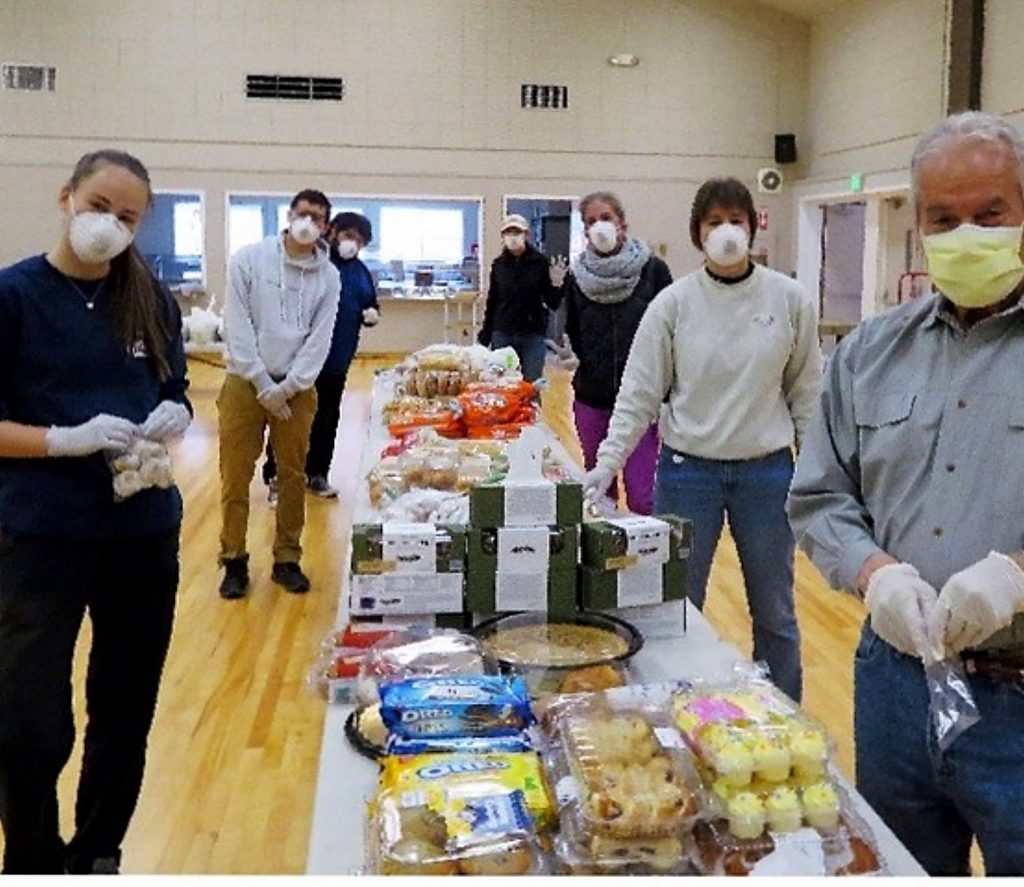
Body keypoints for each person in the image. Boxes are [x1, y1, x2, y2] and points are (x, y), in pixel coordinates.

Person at [787, 111, 1024, 876]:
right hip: (895, 686)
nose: (966, 235)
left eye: (991, 215)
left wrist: (1015, 576)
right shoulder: (869, 352)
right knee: (900, 866)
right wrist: (874, 572)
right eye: (944, 219)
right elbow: (821, 497)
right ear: (918, 224)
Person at [0, 149, 191, 874]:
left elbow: (173, 387)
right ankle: (35, 856)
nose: (110, 225)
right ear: (66, 197)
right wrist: (59, 439)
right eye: (100, 206)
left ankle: (98, 849)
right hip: (42, 533)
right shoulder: (14, 296)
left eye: (127, 216)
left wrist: (174, 413)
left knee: (125, 704)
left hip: (142, 531)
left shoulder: (148, 297)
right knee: (28, 716)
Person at [583, 178, 822, 702]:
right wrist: (607, 464)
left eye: (736, 220)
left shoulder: (789, 299)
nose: (727, 232)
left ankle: (783, 716)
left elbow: (806, 392)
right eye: (715, 223)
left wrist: (818, 470)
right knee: (677, 606)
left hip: (767, 474)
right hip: (688, 473)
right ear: (698, 233)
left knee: (775, 611)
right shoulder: (673, 305)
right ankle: (674, 709)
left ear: (754, 227)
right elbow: (639, 393)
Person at [218, 189, 339, 599]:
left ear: (325, 227)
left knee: (292, 475)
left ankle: (287, 559)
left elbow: (319, 341)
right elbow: (237, 326)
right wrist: (261, 383)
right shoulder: (249, 260)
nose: (308, 222)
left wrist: (287, 387)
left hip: (297, 389)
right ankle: (233, 560)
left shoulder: (329, 277)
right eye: (303, 213)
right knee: (235, 476)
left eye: (317, 218)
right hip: (243, 383)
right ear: (289, 215)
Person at [560, 191, 673, 515]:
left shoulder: (654, 271)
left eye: (606, 218)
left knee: (642, 496)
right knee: (600, 493)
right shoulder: (576, 278)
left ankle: (645, 560)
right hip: (592, 399)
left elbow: (670, 333)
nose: (600, 226)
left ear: (623, 224)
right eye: (591, 221)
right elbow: (574, 331)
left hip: (641, 400)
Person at [262, 211, 380, 500]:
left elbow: (369, 300)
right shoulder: (315, 262)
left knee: (327, 419)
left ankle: (317, 474)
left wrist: (372, 312)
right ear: (333, 231)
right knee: (290, 419)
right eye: (350, 236)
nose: (354, 245)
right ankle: (278, 476)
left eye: (361, 242)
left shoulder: (360, 271)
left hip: (337, 359)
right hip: (301, 359)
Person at [477, 213, 566, 382]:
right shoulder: (499, 265)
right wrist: (485, 335)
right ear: (503, 237)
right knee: (502, 385)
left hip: (532, 335)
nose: (513, 237)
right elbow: (493, 301)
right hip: (502, 333)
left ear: (526, 235)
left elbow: (552, 302)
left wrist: (559, 285)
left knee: (531, 386)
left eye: (517, 232)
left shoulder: (540, 263)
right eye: (508, 233)